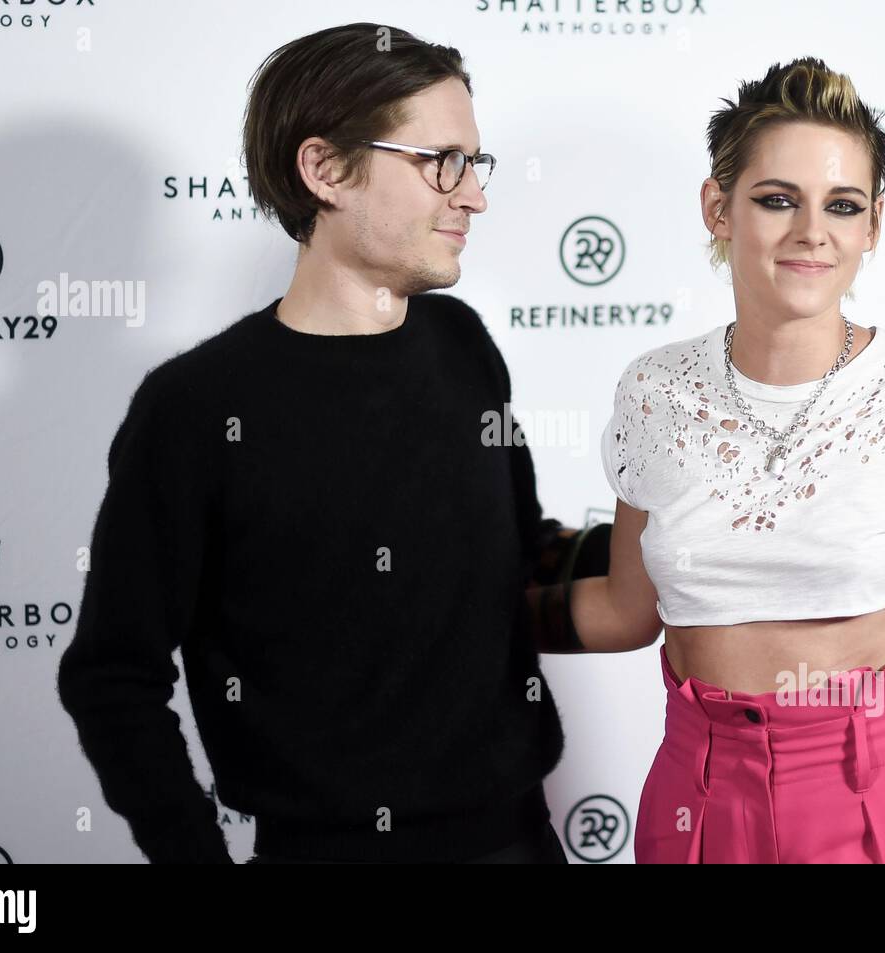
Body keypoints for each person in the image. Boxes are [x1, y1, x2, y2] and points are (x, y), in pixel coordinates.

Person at [56, 22, 608, 864]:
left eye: (476, 163)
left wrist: (667, 542)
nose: (474, 195)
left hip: (525, 841)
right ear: (324, 171)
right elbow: (112, 674)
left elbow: (519, 558)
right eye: (440, 162)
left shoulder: (462, 346)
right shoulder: (196, 408)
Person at [546, 57, 885, 863]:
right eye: (778, 199)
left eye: (842, 206)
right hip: (694, 805)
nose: (813, 231)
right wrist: (461, 602)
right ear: (718, 208)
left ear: (872, 225)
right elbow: (627, 610)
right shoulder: (653, 392)